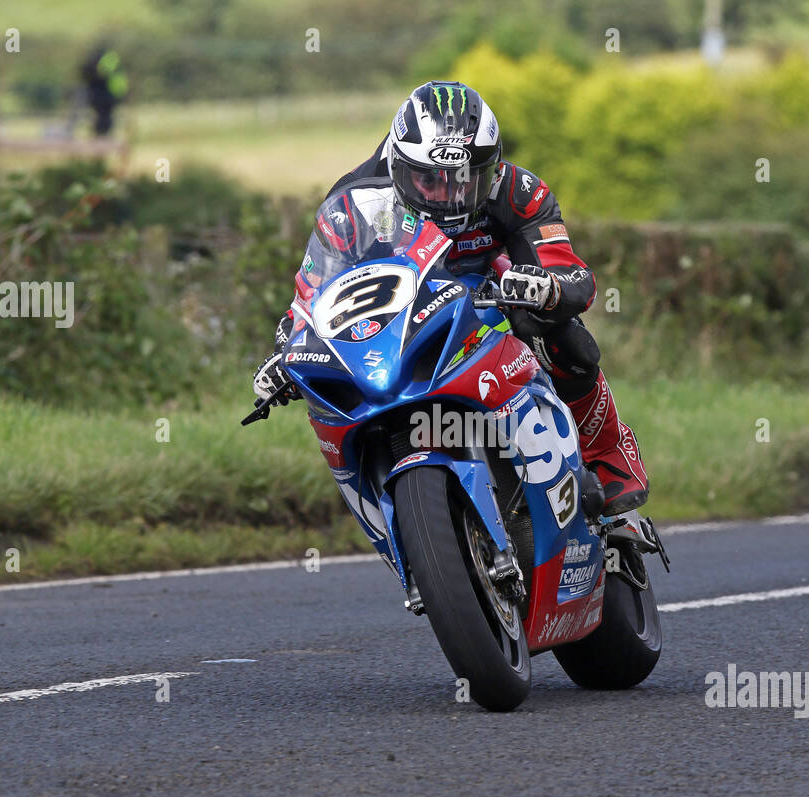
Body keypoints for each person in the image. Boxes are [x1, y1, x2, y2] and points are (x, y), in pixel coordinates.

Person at [254, 81, 648, 515]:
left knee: (563, 336)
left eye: (466, 180)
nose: (448, 196)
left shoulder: (517, 190)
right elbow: (313, 296)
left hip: (492, 296)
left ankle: (609, 455)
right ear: (399, 166)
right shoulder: (355, 203)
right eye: (429, 181)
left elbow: (573, 276)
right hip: (403, 317)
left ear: (493, 168)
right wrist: (286, 352)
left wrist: (546, 287)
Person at [80, 45, 128, 137]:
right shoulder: (111, 59)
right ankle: (102, 136)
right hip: (111, 94)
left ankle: (101, 136)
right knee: (105, 117)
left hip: (104, 95)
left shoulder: (101, 61)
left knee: (103, 118)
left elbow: (101, 75)